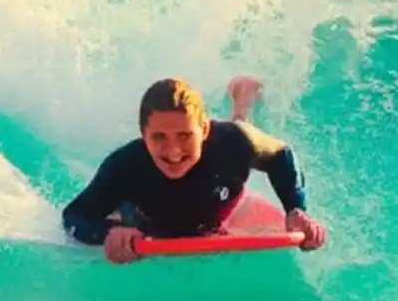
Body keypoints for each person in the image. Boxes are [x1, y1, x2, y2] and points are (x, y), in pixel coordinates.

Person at [62, 75, 328, 264]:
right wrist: (109, 232)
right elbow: (73, 216)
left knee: (239, 138)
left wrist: (296, 210)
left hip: (225, 196)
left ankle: (241, 104)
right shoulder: (125, 165)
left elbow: (280, 154)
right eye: (159, 137)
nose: (174, 151)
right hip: (145, 217)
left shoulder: (234, 142)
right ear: (143, 135)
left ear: (204, 130)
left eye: (185, 135)